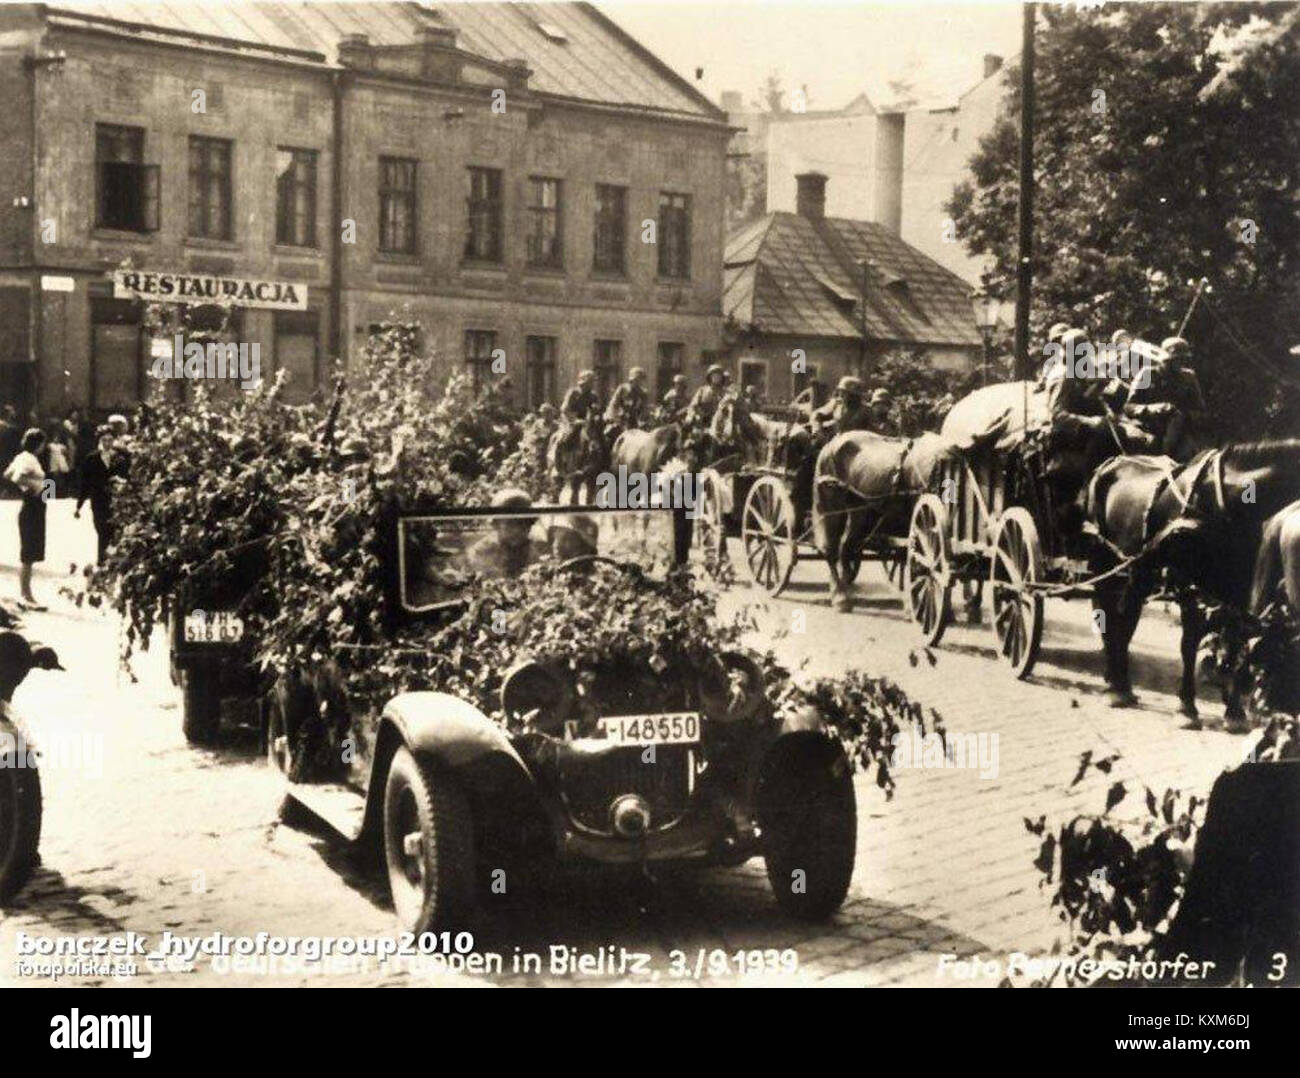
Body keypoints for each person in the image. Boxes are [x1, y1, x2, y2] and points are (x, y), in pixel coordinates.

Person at [4, 429, 49, 610]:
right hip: (32, 504)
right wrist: (34, 487)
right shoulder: (29, 459)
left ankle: (27, 593)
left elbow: (7, 474)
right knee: (29, 553)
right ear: (38, 444)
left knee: (32, 551)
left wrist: (43, 488)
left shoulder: (23, 456)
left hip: (35, 504)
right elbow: (16, 476)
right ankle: (26, 594)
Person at [465, 488, 547, 578]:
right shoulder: (481, 553)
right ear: (496, 524)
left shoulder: (538, 548)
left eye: (523, 523)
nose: (517, 530)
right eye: (510, 523)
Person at [75, 426, 126, 562]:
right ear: (99, 441)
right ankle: (102, 562)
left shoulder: (120, 458)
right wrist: (79, 505)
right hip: (98, 501)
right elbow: (85, 483)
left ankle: (110, 563)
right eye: (104, 440)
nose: (108, 443)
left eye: (110, 440)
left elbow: (126, 477)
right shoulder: (91, 459)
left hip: (116, 500)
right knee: (101, 530)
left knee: (113, 531)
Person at [603, 366, 650, 440]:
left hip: (636, 422)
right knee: (609, 435)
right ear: (631, 380)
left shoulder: (643, 393)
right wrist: (611, 417)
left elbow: (645, 409)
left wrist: (643, 420)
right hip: (621, 420)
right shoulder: (623, 389)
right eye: (637, 380)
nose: (639, 382)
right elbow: (613, 404)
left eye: (641, 380)